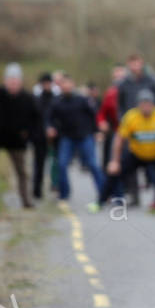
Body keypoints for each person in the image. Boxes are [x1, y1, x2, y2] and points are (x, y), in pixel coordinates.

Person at [0, 63, 38, 208]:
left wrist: (28, 134)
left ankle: (26, 201)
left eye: (15, 81)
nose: (13, 83)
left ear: (20, 82)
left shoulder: (28, 98)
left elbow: (36, 119)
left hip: (18, 142)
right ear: (5, 81)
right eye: (10, 80)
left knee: (22, 173)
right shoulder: (1, 93)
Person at [46, 73, 105, 209]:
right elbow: (49, 118)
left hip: (85, 136)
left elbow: (93, 115)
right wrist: (50, 128)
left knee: (93, 164)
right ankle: (64, 193)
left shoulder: (82, 100)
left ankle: (103, 192)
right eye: (63, 84)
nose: (66, 86)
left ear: (72, 85)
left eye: (68, 83)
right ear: (61, 86)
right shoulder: (57, 102)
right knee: (61, 164)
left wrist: (97, 131)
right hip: (67, 137)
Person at [31, 71, 57, 200]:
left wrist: (54, 129)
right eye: (45, 83)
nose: (47, 85)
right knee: (39, 165)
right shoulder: (36, 100)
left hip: (55, 137)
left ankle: (57, 187)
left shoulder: (56, 99)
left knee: (56, 163)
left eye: (49, 83)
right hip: (39, 137)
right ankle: (37, 190)